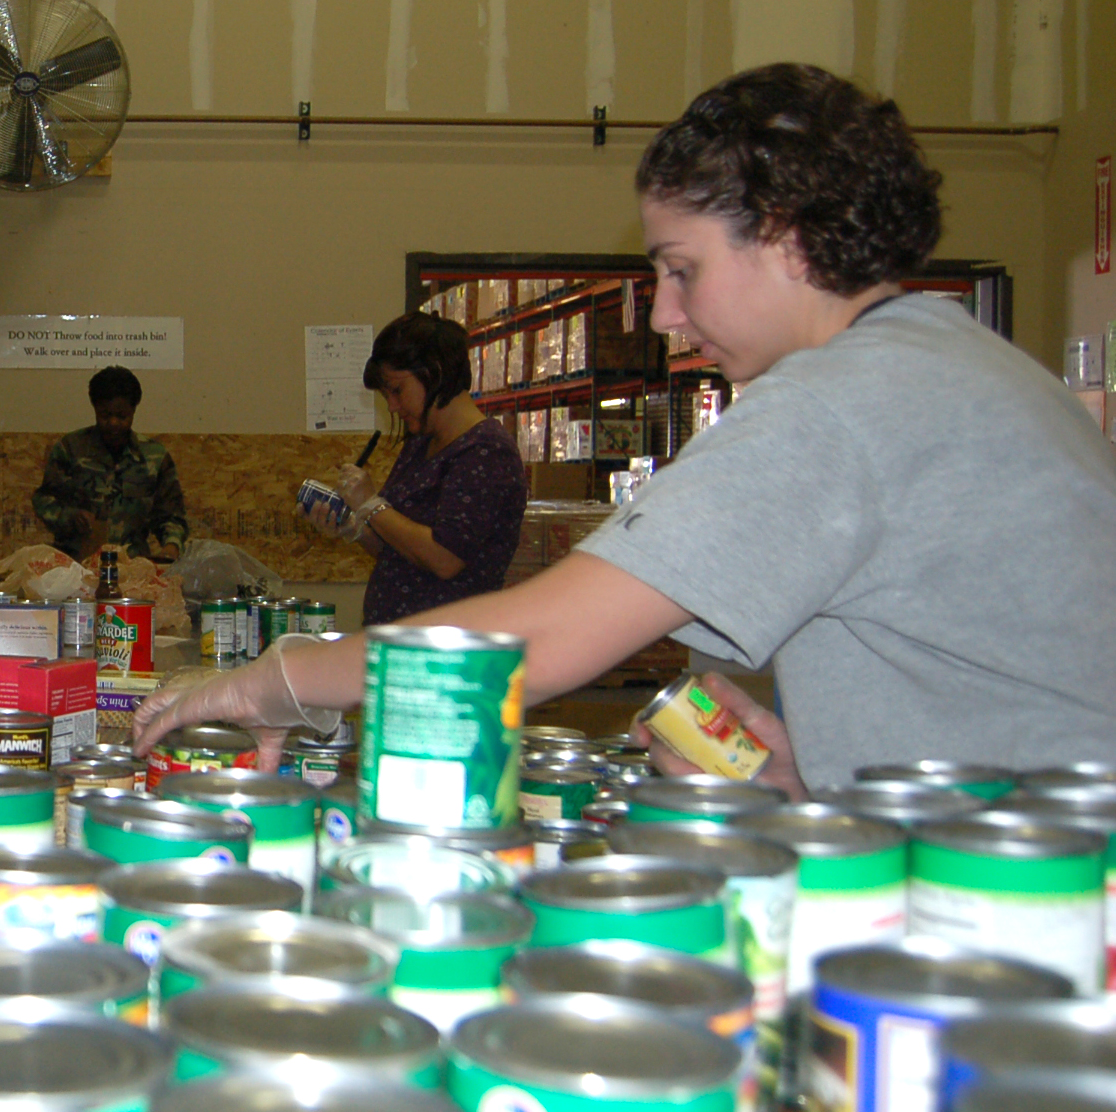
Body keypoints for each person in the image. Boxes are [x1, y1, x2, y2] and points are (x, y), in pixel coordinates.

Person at [135, 62, 1116, 798]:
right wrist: (821, 772)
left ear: (787, 235)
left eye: (680, 268)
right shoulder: (966, 366)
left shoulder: (837, 401)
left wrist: (277, 681)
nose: (660, 316)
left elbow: (538, 640)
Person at [303, 313, 526, 623]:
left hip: (448, 649)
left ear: (434, 372)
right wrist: (355, 527)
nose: (393, 406)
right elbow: (401, 552)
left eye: (397, 390)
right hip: (398, 643)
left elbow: (445, 558)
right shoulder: (421, 444)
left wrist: (372, 505)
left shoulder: (485, 451)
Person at [33, 365, 190, 563]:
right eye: (105, 415)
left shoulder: (154, 458)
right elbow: (44, 500)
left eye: (122, 416)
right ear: (95, 409)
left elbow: (171, 515)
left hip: (132, 565)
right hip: (77, 565)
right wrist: (69, 517)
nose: (114, 423)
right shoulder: (71, 450)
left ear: (133, 411)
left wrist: (171, 545)